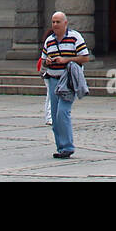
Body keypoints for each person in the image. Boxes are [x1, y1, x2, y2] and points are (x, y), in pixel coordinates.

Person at [40, 11, 89, 159]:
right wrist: (47, 61)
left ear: (65, 23)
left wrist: (66, 60)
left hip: (68, 81)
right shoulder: (49, 40)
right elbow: (42, 61)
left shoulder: (75, 37)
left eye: (58, 22)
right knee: (55, 116)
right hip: (53, 80)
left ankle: (68, 147)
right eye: (53, 22)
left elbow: (85, 57)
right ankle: (61, 148)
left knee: (63, 112)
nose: (55, 25)